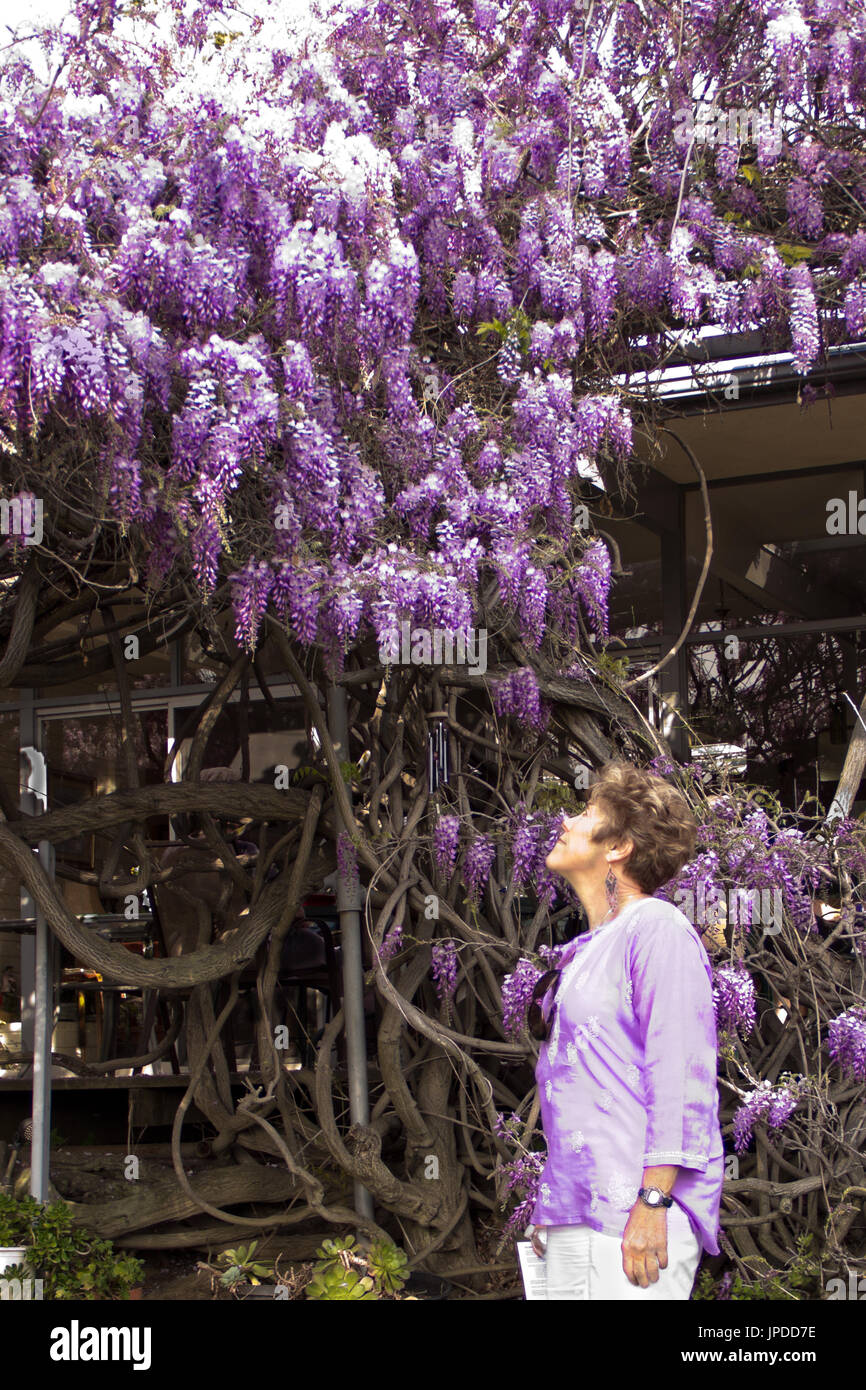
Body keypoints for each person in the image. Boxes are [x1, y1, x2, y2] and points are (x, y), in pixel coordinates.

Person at [526, 760, 724, 1300]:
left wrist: (654, 1203)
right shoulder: (581, 949)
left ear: (618, 848)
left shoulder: (658, 930)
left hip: (634, 1218)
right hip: (574, 1212)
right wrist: (556, 1202)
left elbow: (682, 1077)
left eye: (585, 814)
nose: (565, 821)